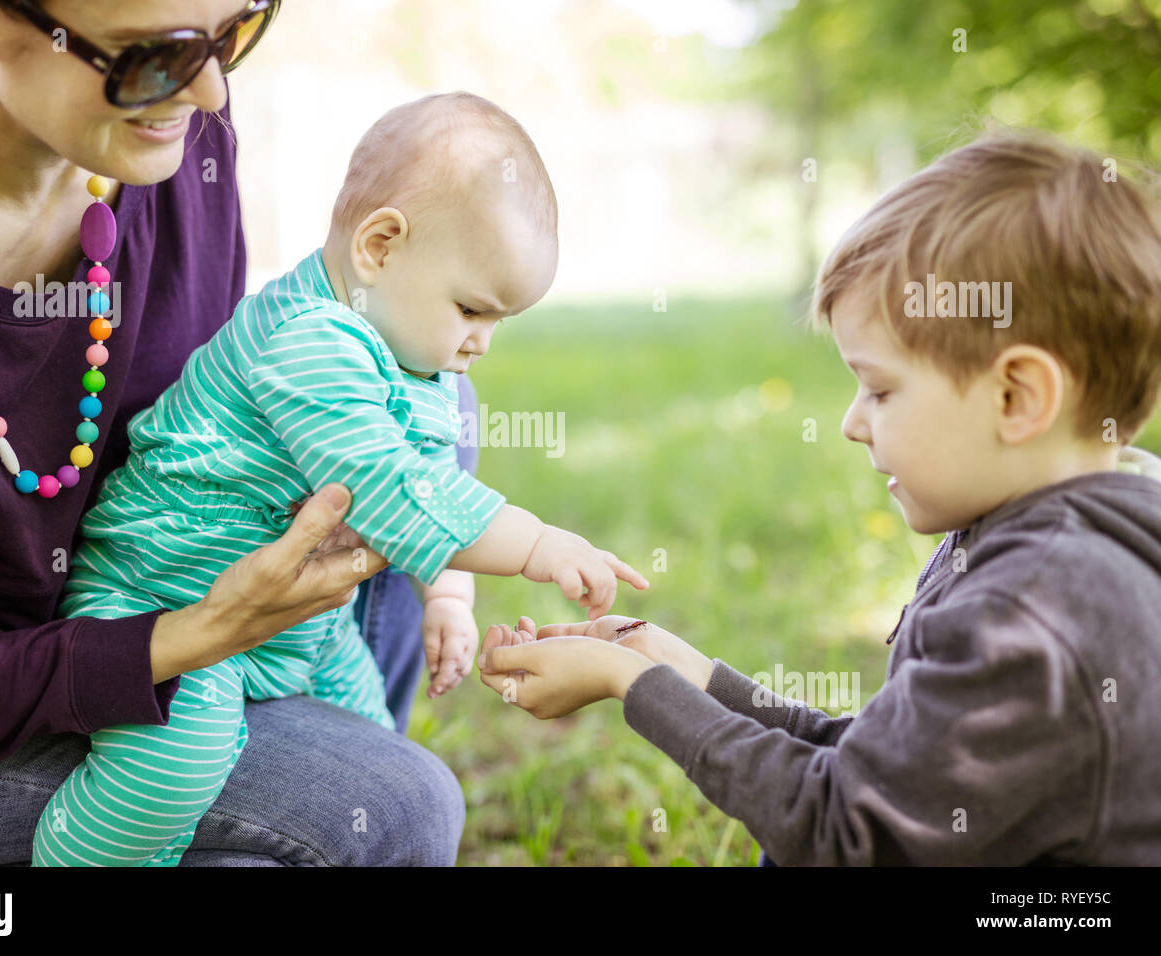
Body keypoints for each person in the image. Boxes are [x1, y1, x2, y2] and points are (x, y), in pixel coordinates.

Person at [0, 1, 464, 866]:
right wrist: (198, 634)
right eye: (157, 55)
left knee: (420, 377)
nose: (212, 90)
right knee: (392, 804)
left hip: (152, 609)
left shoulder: (174, 136)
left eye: (234, 34)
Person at [476, 130, 1161, 865]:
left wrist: (630, 682)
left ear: (1017, 396)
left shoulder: (1035, 603)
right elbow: (876, 773)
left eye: (881, 389)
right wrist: (680, 670)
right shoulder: (1046, 540)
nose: (851, 421)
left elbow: (841, 834)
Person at [31, 91, 649, 866]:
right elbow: (392, 488)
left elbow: (429, 468)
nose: (482, 343)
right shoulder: (311, 340)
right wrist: (537, 545)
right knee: (175, 762)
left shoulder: (407, 352)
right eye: (471, 310)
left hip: (293, 625)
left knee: (377, 757)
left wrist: (449, 598)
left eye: (499, 323)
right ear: (380, 247)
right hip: (163, 605)